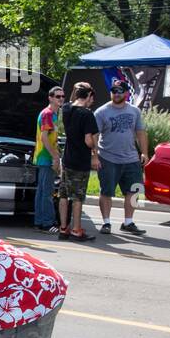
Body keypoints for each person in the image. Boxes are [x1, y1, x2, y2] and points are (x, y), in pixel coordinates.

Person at [95, 78, 149, 235]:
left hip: (131, 158)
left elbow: (141, 133)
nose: (116, 94)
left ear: (126, 93)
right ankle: (106, 223)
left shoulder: (134, 111)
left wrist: (144, 152)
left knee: (135, 190)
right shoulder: (101, 112)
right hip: (107, 157)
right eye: (113, 91)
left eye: (119, 91)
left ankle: (128, 222)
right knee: (106, 191)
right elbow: (94, 135)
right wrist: (95, 156)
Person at [57, 83, 99, 240]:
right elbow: (89, 140)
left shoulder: (66, 108)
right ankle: (76, 229)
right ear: (88, 96)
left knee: (63, 194)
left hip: (67, 158)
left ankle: (63, 228)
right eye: (91, 98)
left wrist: (78, 89)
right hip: (80, 160)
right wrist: (95, 150)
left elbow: (72, 98)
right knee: (77, 197)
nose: (92, 101)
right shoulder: (87, 114)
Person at [30, 86, 63, 232]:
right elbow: (44, 138)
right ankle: (47, 223)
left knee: (43, 191)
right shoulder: (48, 114)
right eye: (57, 96)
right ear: (50, 98)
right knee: (47, 192)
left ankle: (40, 221)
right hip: (45, 157)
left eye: (62, 96)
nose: (61, 99)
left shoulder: (54, 114)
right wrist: (55, 157)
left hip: (46, 156)